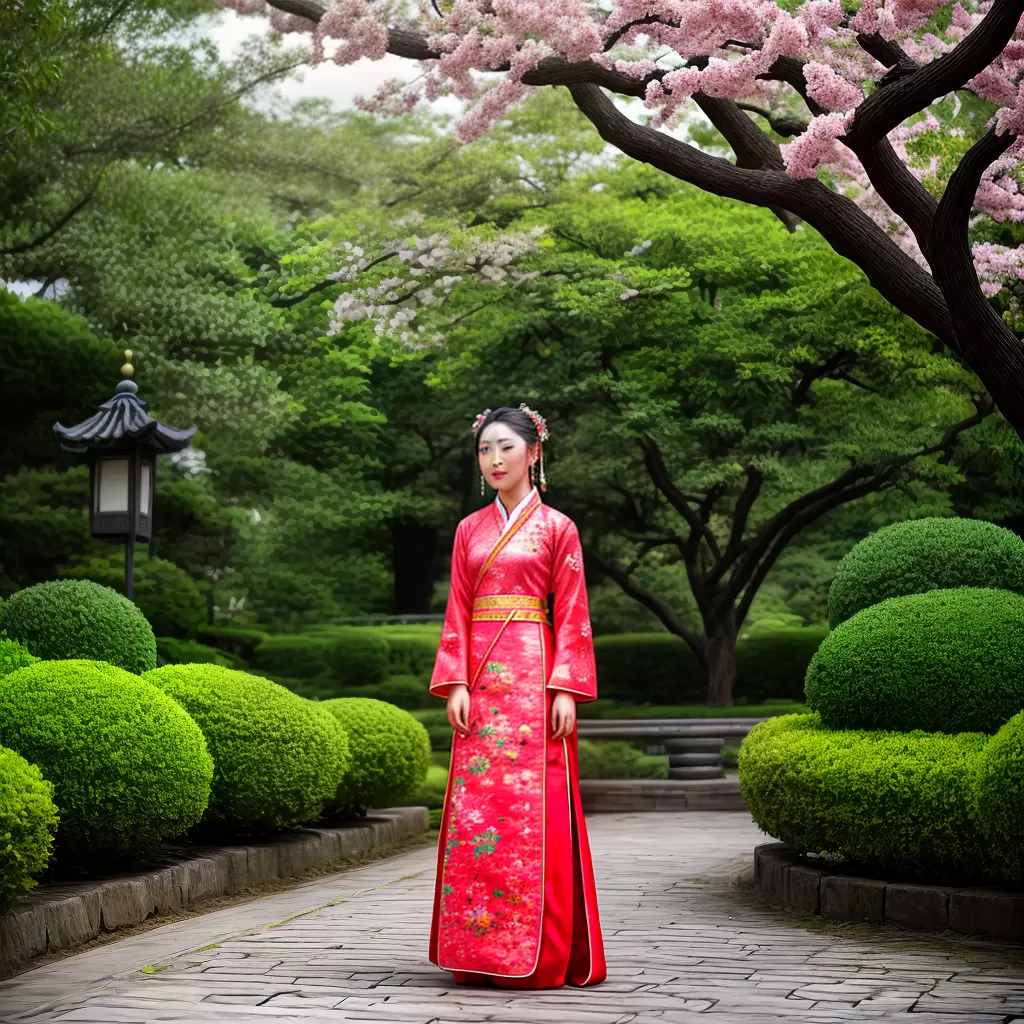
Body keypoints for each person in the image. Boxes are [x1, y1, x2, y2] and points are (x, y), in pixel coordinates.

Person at [427, 404, 607, 989]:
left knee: (535, 811)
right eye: (484, 449)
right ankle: (478, 948)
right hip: (479, 680)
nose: (494, 458)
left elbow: (574, 612)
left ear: (534, 451)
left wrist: (566, 689)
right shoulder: (467, 530)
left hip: (534, 678)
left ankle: (538, 953)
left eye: (505, 446)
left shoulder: (558, 527)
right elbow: (457, 605)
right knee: (476, 815)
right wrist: (454, 680)